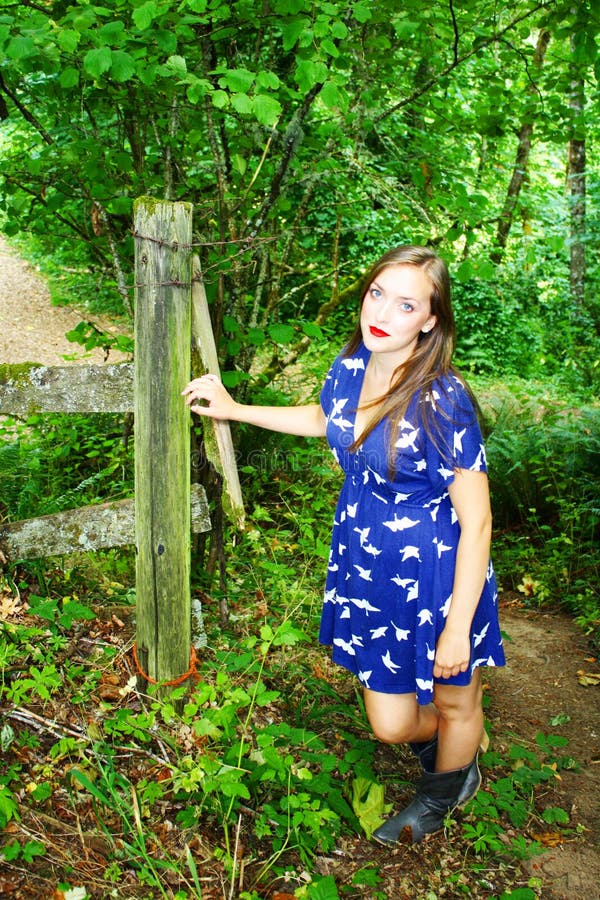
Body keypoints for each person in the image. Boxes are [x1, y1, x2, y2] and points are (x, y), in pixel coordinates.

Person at [182, 245, 505, 845]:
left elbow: (478, 522)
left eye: (406, 303)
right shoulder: (353, 364)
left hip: (435, 572)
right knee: (391, 721)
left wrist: (458, 625)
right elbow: (323, 417)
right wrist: (235, 409)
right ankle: (456, 740)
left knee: (453, 698)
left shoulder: (444, 398)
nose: (382, 311)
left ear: (429, 321)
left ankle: (445, 788)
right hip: (366, 564)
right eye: (378, 293)